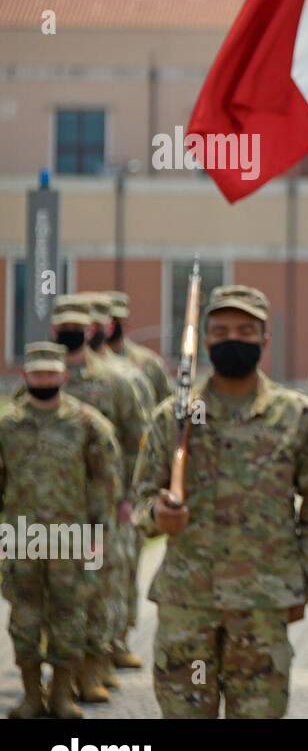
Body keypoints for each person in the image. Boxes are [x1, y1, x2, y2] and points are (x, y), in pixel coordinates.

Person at [133, 285, 308, 718]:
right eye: (221, 330)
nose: (233, 339)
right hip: (187, 607)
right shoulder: (176, 416)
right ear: (205, 339)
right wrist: (158, 516)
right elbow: (139, 505)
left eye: (246, 330)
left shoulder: (295, 416)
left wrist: (305, 583)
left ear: (264, 341)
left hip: (262, 610)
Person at [0, 343, 121, 719]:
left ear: (64, 376)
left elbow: (105, 480)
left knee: (70, 616)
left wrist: (101, 531)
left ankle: (62, 695)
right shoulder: (8, 425)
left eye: (51, 373)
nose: (44, 380)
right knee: (24, 619)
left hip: (72, 537)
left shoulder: (88, 423)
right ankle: (32, 695)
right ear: (25, 376)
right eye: (37, 374)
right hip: (21, 536)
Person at [47, 294, 146, 704]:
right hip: (49, 505)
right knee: (52, 592)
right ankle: (56, 681)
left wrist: (128, 496)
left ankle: (96, 665)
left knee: (99, 586)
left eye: (77, 328)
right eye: (63, 328)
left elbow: (135, 438)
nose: (70, 334)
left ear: (91, 332)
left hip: (99, 504)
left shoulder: (116, 379)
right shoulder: (45, 377)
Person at [104, 289, 171, 405]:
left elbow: (167, 403)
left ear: (126, 322)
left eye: (116, 320)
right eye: (108, 320)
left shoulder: (148, 363)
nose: (111, 325)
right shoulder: (87, 363)